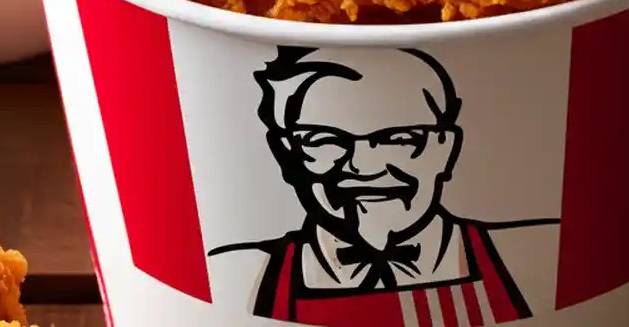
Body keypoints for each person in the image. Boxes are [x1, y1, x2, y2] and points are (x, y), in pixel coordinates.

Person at [209, 46, 557, 326]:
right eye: (324, 140)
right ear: (287, 155)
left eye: (402, 139)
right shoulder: (236, 270)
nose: (364, 167)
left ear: (446, 150)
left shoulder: (530, 252)